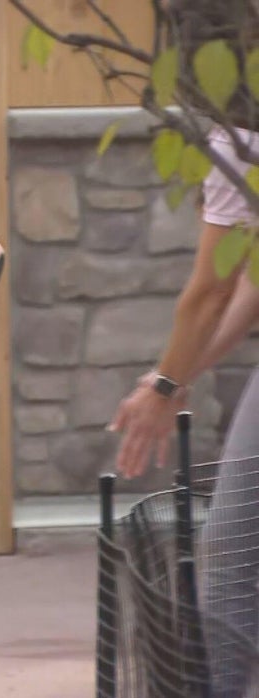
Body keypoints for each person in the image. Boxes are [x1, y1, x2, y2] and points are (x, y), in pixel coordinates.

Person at [108, 122, 259, 697]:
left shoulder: (235, 140)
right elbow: (252, 283)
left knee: (228, 558)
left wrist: (167, 385)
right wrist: (175, 376)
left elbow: (211, 290)